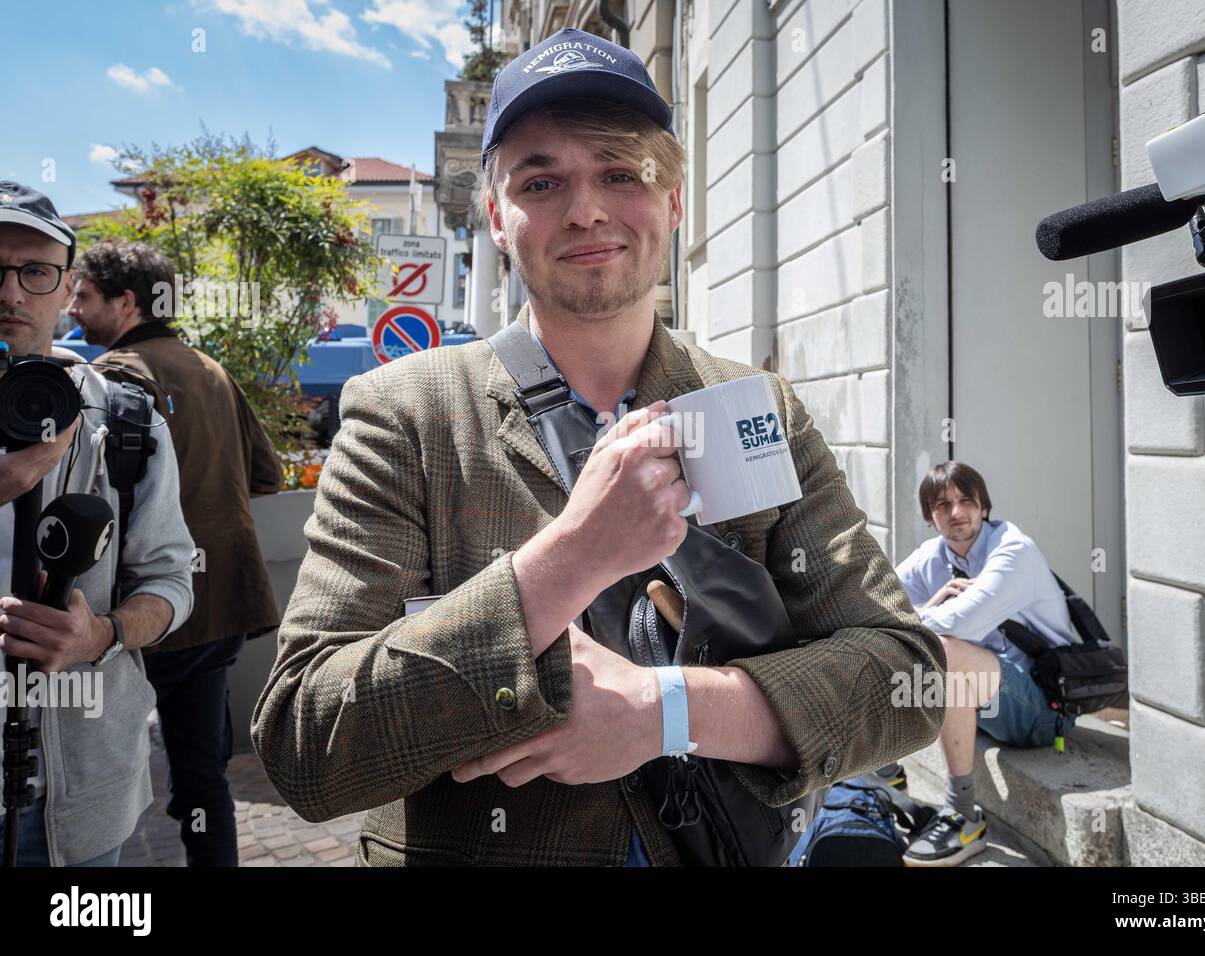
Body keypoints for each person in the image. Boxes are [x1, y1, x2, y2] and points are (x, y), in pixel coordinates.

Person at [251, 27, 945, 866]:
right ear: (500, 221)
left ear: (676, 202)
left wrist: (668, 712)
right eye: (542, 181)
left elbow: (907, 673)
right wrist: (571, 558)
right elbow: (306, 742)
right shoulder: (408, 415)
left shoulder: (751, 406)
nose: (586, 209)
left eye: (623, 172)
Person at [68, 240, 282, 866]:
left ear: (126, 302)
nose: (73, 310)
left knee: (102, 774)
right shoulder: (208, 367)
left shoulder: (114, 374)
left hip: (151, 611)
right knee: (201, 773)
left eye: (83, 295)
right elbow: (266, 474)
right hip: (222, 603)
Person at [0, 181, 194, 866]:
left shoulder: (127, 421)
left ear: (66, 290)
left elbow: (172, 580)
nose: (11, 293)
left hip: (82, 801)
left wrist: (101, 635)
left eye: (34, 271)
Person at [892, 461, 1078, 866]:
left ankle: (963, 814)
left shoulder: (1013, 549)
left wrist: (921, 613)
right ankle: (883, 766)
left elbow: (961, 622)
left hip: (1044, 710)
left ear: (984, 507)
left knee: (939, 650)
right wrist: (930, 603)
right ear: (930, 516)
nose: (956, 512)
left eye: (966, 501)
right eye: (943, 505)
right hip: (988, 699)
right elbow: (873, 608)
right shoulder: (934, 556)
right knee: (887, 646)